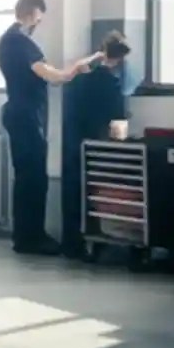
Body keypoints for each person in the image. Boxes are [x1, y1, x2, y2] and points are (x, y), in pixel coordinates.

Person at [0, 0, 102, 256]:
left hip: (19, 113)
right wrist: (76, 68)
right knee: (34, 178)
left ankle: (26, 235)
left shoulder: (5, 41)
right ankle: (31, 238)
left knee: (26, 177)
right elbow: (53, 77)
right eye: (39, 18)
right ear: (32, 14)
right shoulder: (21, 43)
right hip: (27, 116)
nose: (38, 24)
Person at [61, 31, 131, 259]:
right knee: (93, 193)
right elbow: (117, 121)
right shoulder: (112, 83)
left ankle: (71, 243)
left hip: (72, 141)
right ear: (120, 59)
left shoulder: (78, 80)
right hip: (97, 144)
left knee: (72, 191)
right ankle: (96, 240)